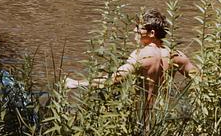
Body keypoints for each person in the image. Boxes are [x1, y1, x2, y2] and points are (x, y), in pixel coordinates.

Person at [66, 10, 198, 112]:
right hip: (161, 117)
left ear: (151, 33)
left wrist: (77, 83)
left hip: (140, 117)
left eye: (139, 27)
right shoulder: (176, 55)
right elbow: (200, 79)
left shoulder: (142, 55)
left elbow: (115, 79)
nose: (135, 30)